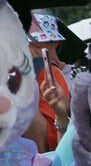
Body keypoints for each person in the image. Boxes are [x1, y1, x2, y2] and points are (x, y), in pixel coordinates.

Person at [24, 11, 71, 152]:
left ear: (55, 42)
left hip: (49, 151)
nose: (34, 46)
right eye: (30, 41)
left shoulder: (55, 73)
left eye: (38, 42)